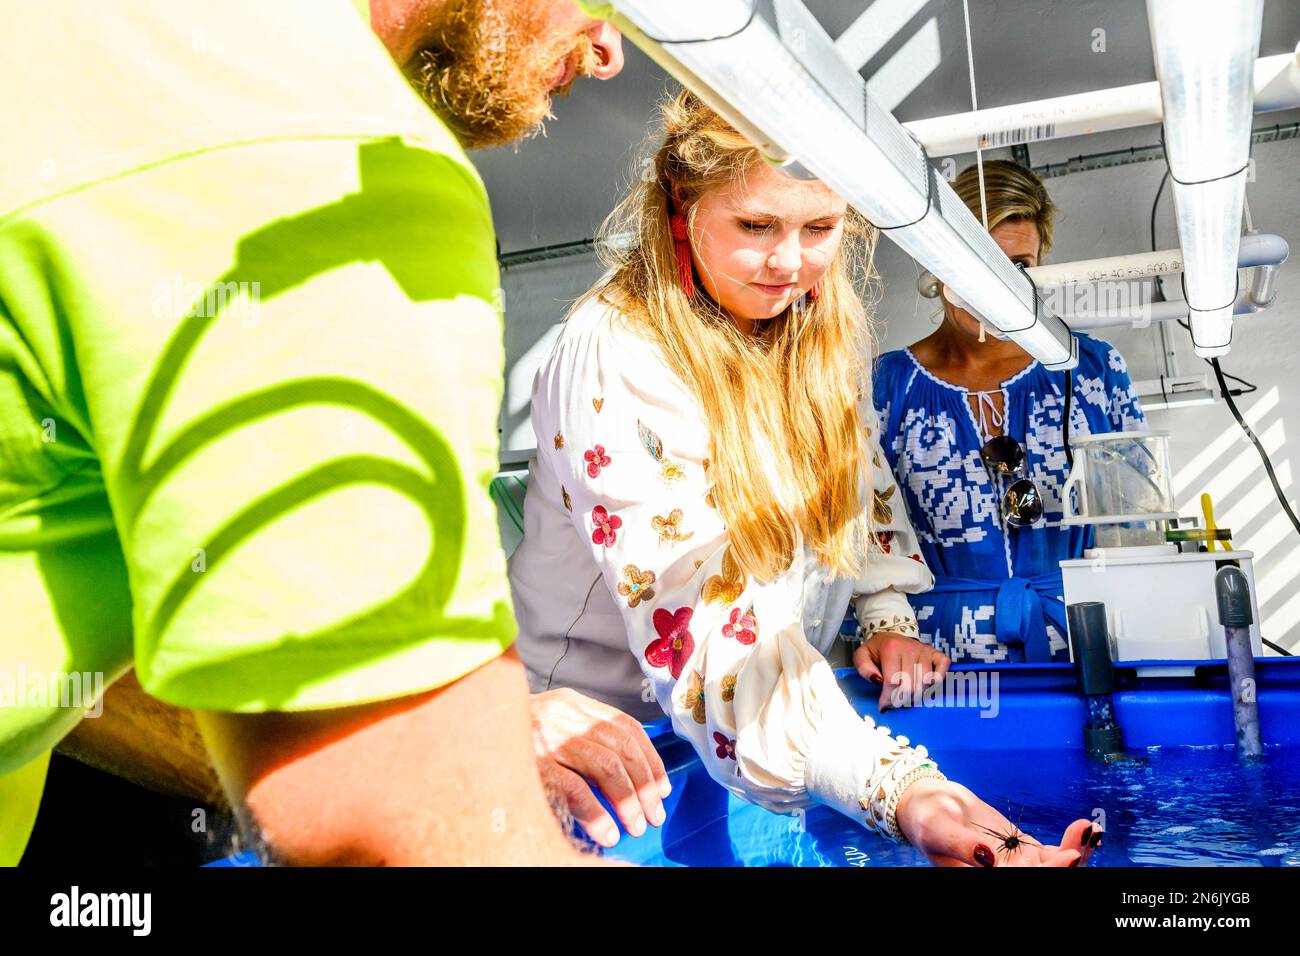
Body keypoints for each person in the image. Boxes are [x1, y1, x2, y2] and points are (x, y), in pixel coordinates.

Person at [0, 0, 625, 866]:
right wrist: (443, 760)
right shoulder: (324, 158)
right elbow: (397, 826)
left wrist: (459, 730)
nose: (609, 54)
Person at [509, 92, 1101, 865]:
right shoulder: (618, 354)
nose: (790, 262)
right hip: (613, 740)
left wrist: (885, 609)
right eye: (756, 226)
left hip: (764, 712)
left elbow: (856, 478)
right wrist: (906, 791)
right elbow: (705, 624)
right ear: (682, 208)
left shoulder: (813, 323)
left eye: (820, 229)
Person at [874, 159, 1146, 665]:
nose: (994, 289)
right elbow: (863, 541)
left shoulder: (1091, 370)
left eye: (1018, 267)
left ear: (1041, 263)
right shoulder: (886, 387)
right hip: (931, 661)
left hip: (1083, 645)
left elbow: (1134, 528)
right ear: (934, 261)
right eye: (974, 265)